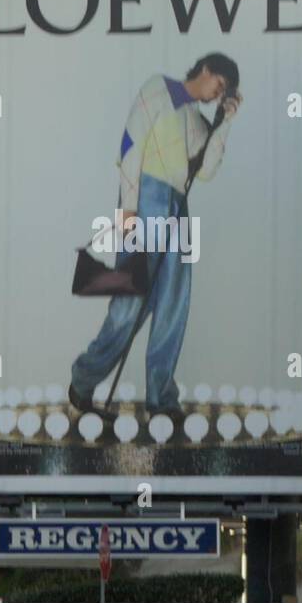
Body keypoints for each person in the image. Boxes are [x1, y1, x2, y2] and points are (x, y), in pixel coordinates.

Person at [69, 53, 242, 424]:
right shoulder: (158, 89)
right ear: (206, 70)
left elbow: (207, 170)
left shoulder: (198, 120)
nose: (217, 92)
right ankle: (83, 380)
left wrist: (223, 123)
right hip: (146, 200)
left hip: (177, 207)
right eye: (220, 84)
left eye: (224, 91)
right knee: (129, 304)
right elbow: (131, 146)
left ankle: (161, 397)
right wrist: (128, 210)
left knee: (173, 303)